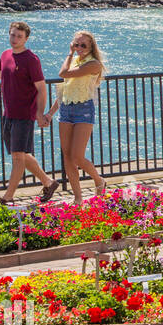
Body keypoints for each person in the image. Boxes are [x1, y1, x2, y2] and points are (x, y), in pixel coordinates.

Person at [0, 21, 59, 203]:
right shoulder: (5, 54)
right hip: (8, 113)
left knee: (18, 156)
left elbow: (41, 89)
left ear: (26, 39)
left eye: (19, 36)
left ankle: (8, 196)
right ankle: (48, 182)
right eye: (12, 35)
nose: (15, 39)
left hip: (25, 114)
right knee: (22, 154)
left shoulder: (31, 59)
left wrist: (40, 113)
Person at [42, 31, 107, 208]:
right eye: (76, 45)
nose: (79, 48)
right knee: (68, 157)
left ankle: (99, 180)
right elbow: (64, 91)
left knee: (77, 156)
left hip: (83, 110)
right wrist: (50, 113)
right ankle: (78, 198)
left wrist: (69, 53)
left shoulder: (93, 64)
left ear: (91, 47)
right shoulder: (76, 63)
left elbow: (63, 73)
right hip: (66, 109)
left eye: (83, 45)